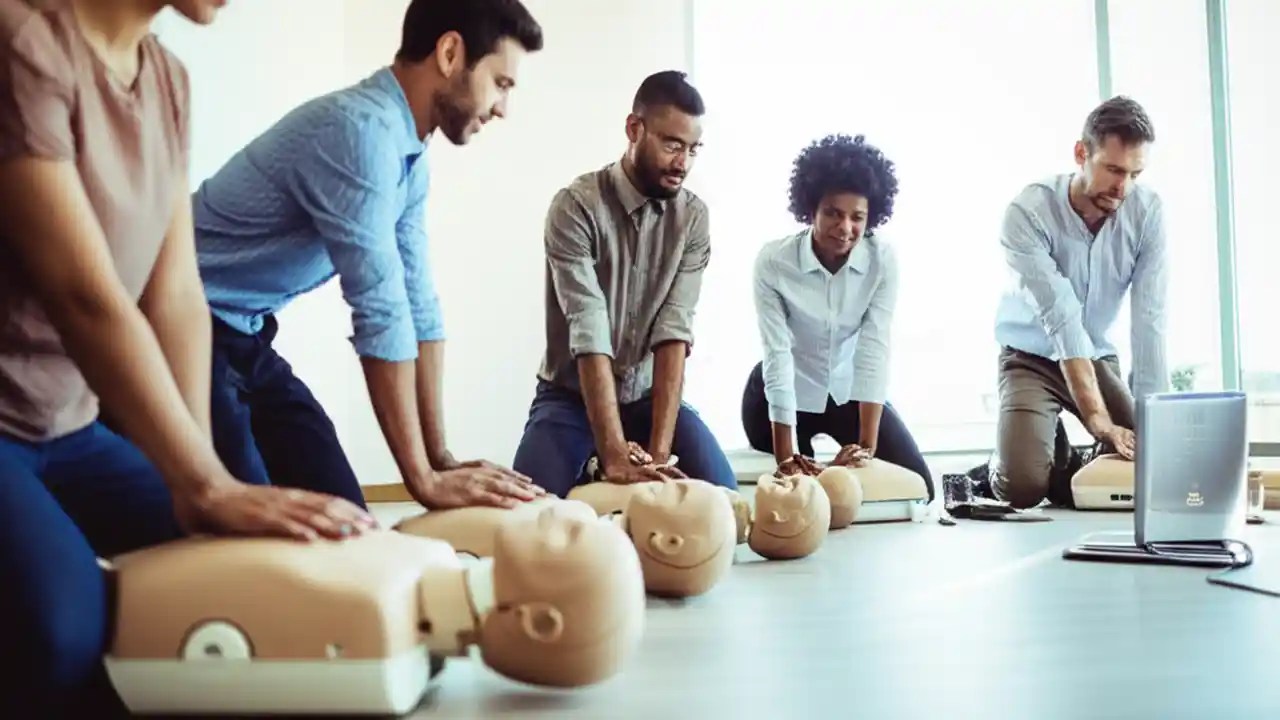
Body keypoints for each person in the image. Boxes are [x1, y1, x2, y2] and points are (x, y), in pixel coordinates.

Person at [0, 1, 376, 717]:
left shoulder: (168, 79)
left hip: (70, 430)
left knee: (249, 563)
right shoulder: (22, 41)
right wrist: (200, 482)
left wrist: (204, 475)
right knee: (63, 630)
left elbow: (173, 293)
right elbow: (85, 295)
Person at [191, 0, 547, 513]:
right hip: (177, 326)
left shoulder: (408, 150)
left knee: (346, 515)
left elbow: (417, 305)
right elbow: (381, 313)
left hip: (241, 336)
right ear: (451, 53)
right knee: (260, 536)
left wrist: (439, 455)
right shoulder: (360, 132)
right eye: (502, 83)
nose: (502, 108)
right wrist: (421, 480)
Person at [512, 70, 738, 498]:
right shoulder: (575, 206)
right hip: (570, 398)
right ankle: (592, 464)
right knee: (529, 512)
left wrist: (657, 457)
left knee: (723, 500)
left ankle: (607, 463)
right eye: (672, 144)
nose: (683, 163)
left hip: (647, 398)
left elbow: (675, 330)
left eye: (693, 149)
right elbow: (588, 326)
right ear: (635, 129)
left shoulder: (693, 219)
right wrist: (613, 452)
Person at [987, 95, 1168, 509]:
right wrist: (1098, 420)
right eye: (1114, 170)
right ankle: (1004, 463)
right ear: (1081, 153)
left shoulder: (1147, 213)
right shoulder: (1028, 213)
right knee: (1023, 489)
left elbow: (1150, 320)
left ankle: (1062, 457)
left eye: (1135, 174)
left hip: (1096, 355)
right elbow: (1061, 316)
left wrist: (1155, 420)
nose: (1123, 188)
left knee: (1148, 454)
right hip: (1029, 358)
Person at [741, 134, 933, 500]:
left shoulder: (881, 260)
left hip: (847, 394)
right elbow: (777, 355)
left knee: (919, 486)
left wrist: (866, 450)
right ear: (810, 208)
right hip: (777, 394)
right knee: (804, 491)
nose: (845, 228)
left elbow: (874, 349)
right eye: (832, 212)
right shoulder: (773, 262)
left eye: (857, 217)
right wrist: (786, 457)